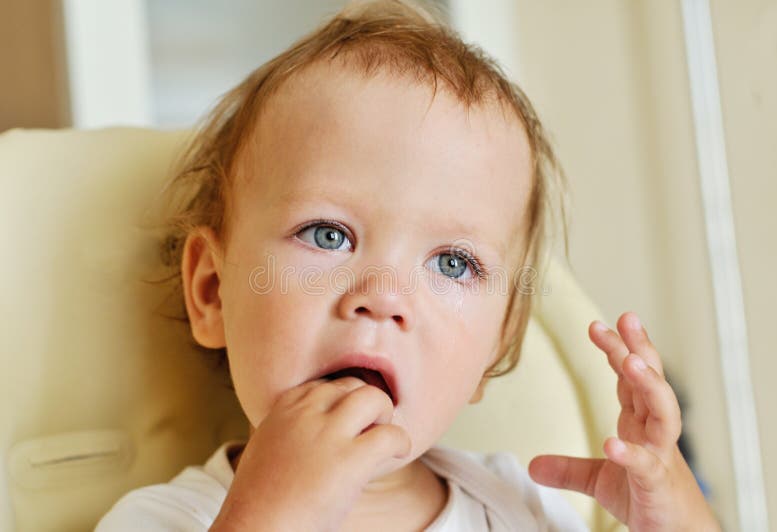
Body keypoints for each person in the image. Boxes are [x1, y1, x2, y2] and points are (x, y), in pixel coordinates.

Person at [96, 1, 720, 530]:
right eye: (328, 234)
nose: (384, 297)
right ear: (212, 292)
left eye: (452, 263)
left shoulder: (512, 506)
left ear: (494, 350)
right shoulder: (170, 518)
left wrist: (673, 510)